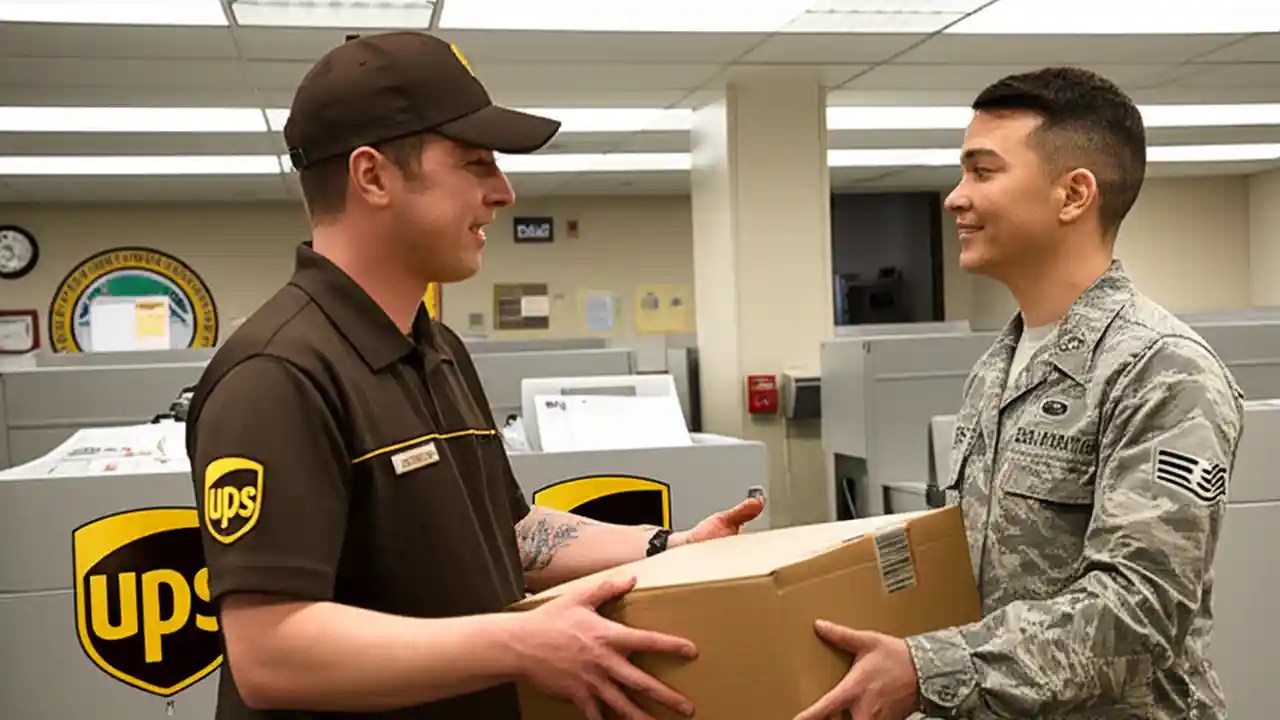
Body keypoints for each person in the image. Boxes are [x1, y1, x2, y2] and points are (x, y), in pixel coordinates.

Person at [185, 30, 764, 720]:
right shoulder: (277, 376)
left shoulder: (436, 349)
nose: (504, 191)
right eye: (475, 164)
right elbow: (271, 653)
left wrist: (666, 547)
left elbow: (507, 531)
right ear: (372, 177)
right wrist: (520, 643)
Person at [794, 67, 1245, 720]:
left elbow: (1140, 613)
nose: (954, 197)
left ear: (1073, 195)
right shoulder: (996, 369)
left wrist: (930, 669)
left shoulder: (1164, 370)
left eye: (983, 171)